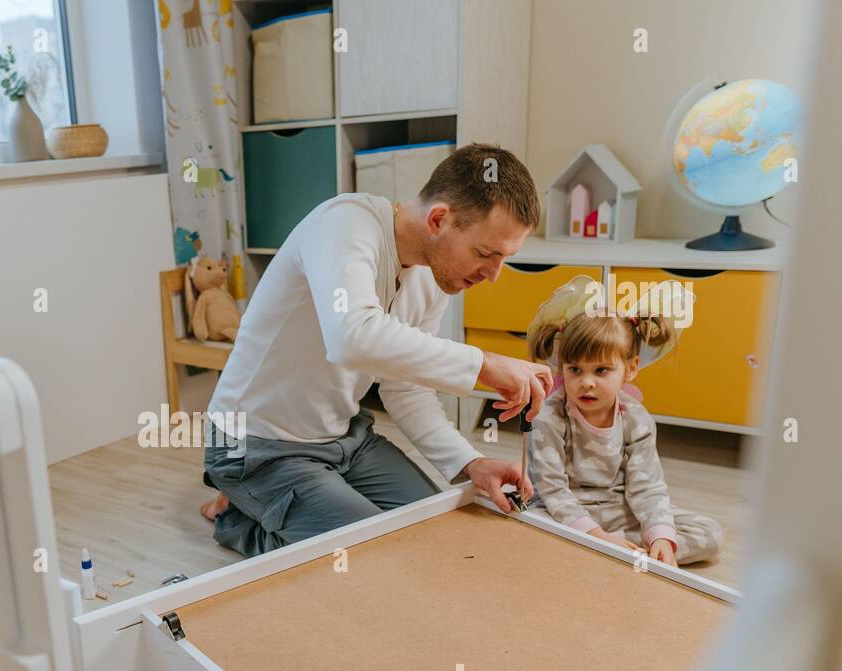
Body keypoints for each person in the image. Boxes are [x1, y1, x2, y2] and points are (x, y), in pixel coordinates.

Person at [200, 143, 553, 557]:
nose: (493, 275)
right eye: (484, 253)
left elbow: (406, 387)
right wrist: (485, 364)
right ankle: (240, 516)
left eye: (503, 258)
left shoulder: (431, 275)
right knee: (377, 557)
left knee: (434, 528)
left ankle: (269, 501)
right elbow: (352, 336)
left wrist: (471, 463)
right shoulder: (344, 226)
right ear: (439, 219)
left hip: (346, 438)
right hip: (259, 445)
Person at [524, 274, 723, 566]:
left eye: (601, 370)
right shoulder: (548, 417)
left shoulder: (636, 418)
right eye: (575, 370)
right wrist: (594, 534)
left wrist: (660, 538)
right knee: (527, 526)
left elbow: (647, 487)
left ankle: (619, 550)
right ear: (561, 367)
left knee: (711, 534)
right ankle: (606, 547)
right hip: (563, 509)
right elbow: (552, 491)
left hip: (618, 507)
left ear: (630, 369)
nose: (586, 382)